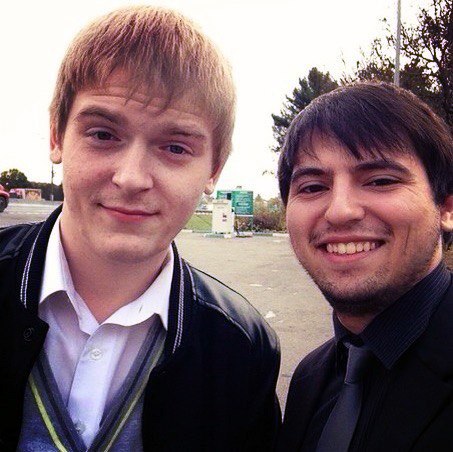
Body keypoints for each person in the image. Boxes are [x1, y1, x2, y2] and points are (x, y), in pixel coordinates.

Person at [0, 7, 280, 451]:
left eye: (175, 147)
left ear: (214, 169)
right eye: (103, 134)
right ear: (56, 135)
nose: (131, 178)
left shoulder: (243, 349)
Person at [277, 82, 453, 451]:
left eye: (380, 181)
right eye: (312, 187)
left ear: (446, 208)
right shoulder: (309, 379)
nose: (340, 211)